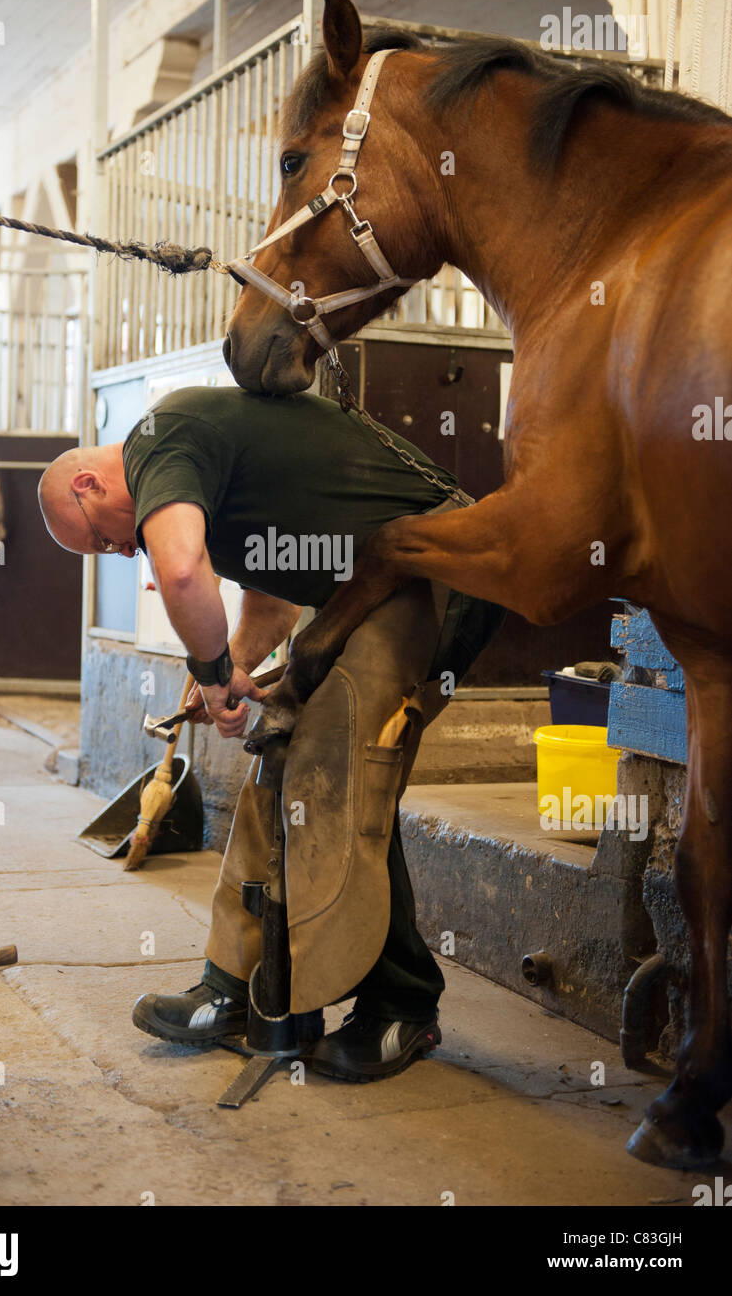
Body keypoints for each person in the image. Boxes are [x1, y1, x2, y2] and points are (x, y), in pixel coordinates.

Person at [39, 385, 504, 1080]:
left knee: (336, 773)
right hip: (366, 589)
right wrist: (232, 671)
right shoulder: (200, 474)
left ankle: (404, 1004)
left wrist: (212, 665)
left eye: (103, 537)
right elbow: (271, 594)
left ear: (87, 482)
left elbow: (182, 569)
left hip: (433, 566)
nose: (117, 550)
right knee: (278, 755)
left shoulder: (162, 441)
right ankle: (237, 986)